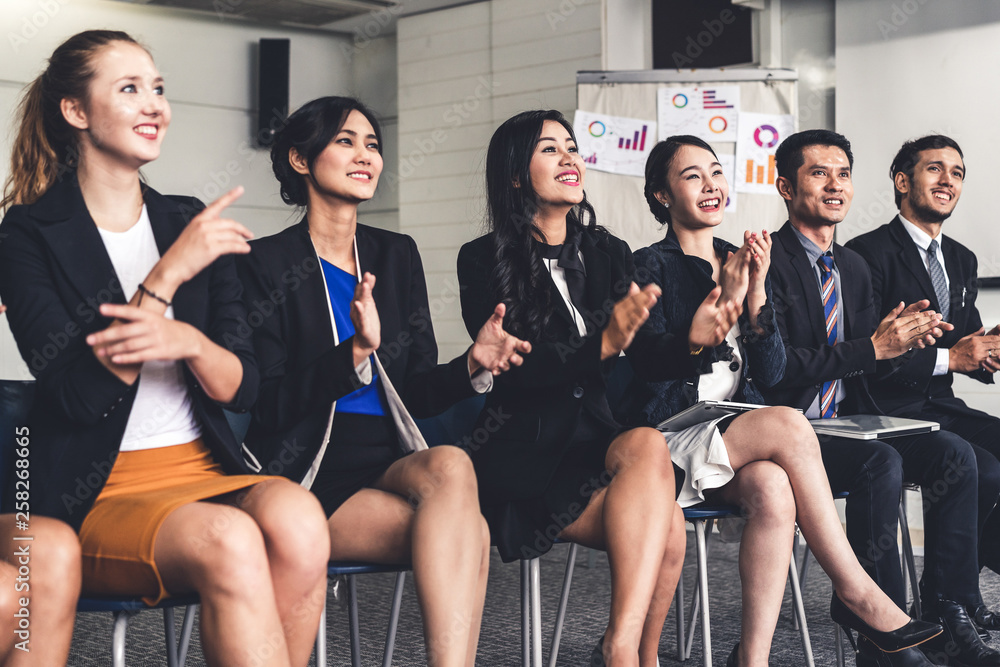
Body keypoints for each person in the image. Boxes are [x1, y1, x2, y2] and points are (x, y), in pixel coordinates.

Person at [0, 30, 329, 666]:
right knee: (230, 539)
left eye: (158, 88)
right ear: (76, 111)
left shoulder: (188, 220)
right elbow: (73, 396)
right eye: (129, 89)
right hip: (95, 490)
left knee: (300, 518)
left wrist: (188, 342)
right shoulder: (27, 233)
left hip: (204, 469)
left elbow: (242, 385)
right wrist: (163, 280)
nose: (156, 105)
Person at [621, 134, 942, 667]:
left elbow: (768, 371)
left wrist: (758, 294)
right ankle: (858, 592)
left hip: (733, 431)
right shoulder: (644, 267)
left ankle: (752, 659)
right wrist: (707, 322)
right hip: (667, 434)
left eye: (717, 172)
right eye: (692, 176)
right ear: (661, 196)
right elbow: (647, 365)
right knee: (791, 423)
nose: (711, 185)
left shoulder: (746, 258)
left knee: (773, 488)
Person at [238, 96, 528, 667]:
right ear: (300, 159)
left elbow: (415, 388)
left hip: (391, 455)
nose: (366, 155)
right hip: (310, 468)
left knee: (452, 464)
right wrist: (354, 354)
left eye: (372, 144)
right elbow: (266, 406)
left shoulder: (395, 255)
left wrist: (473, 363)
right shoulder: (262, 262)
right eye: (346, 141)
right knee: (467, 530)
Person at [765, 129, 997, 667]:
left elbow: (874, 354)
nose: (835, 185)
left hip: (857, 414)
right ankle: (882, 622)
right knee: (882, 462)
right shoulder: (771, 260)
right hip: (795, 422)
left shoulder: (848, 266)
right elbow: (777, 370)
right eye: (819, 173)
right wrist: (876, 348)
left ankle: (948, 607)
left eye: (843, 173)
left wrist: (973, 351)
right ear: (784, 186)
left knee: (957, 457)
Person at [844, 134, 1000, 662]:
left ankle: (956, 594)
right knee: (973, 463)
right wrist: (953, 358)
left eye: (957, 172)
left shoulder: (961, 257)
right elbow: (872, 352)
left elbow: (967, 338)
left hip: (938, 404)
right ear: (903, 181)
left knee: (997, 452)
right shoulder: (866, 254)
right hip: (879, 404)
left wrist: (990, 351)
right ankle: (948, 605)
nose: (948, 181)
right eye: (935, 169)